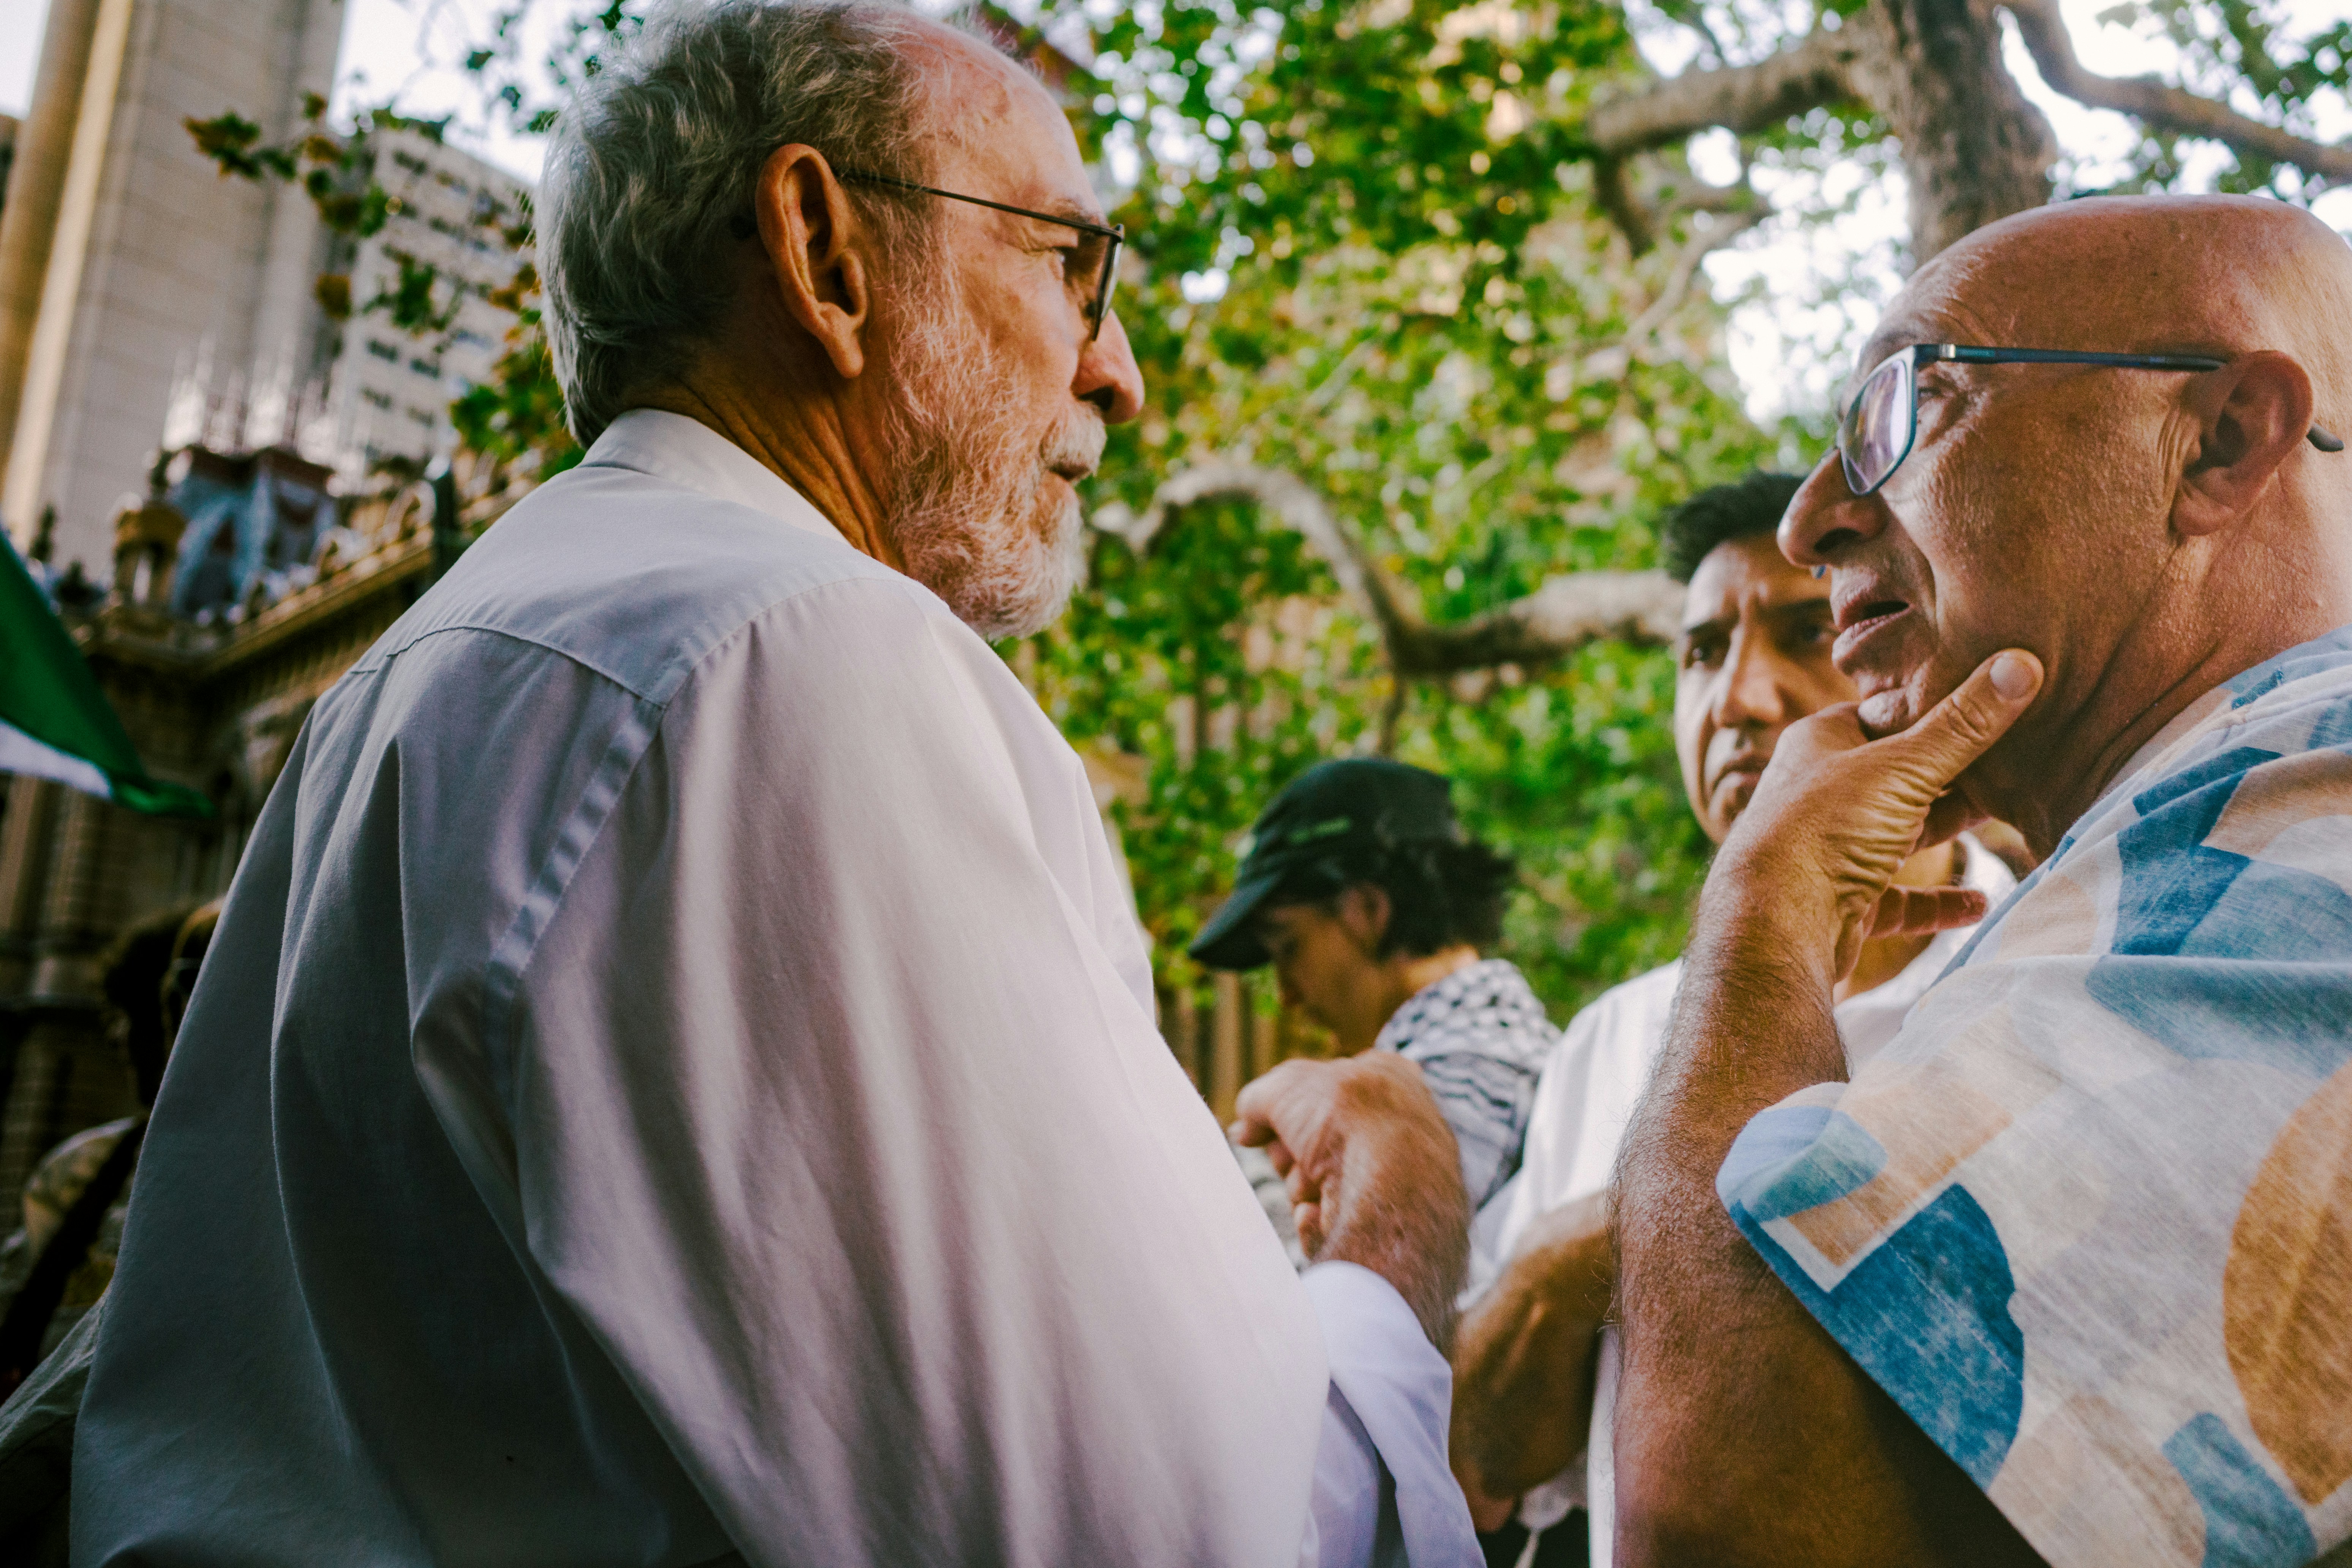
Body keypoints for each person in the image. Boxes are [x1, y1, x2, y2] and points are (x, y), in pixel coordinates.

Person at [70, 5, 1481, 1565]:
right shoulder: (788, 655)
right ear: (823, 252)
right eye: (1072, 266)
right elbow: (1141, 1533)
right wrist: (1388, 1259)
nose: (1121, 374)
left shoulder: (416, 684)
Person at [1613, 193, 2352, 1568]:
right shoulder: (2191, 833)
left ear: (2222, 441)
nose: (1811, 519)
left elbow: (1725, 1515)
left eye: (1905, 404)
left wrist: (1763, 912)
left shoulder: (2313, 800)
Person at [1445, 472, 2016, 1565]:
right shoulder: (1615, 1039)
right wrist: (1601, 1241)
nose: (1740, 699)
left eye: (1812, 631)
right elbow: (1482, 1460)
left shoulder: (2040, 977)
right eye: (1701, 650)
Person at [1192, 759, 1559, 1283]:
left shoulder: (1466, 1079)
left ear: (1366, 910)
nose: (1288, 994)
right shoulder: (1512, 1051)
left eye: (1288, 948)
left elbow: (1362, 1301)